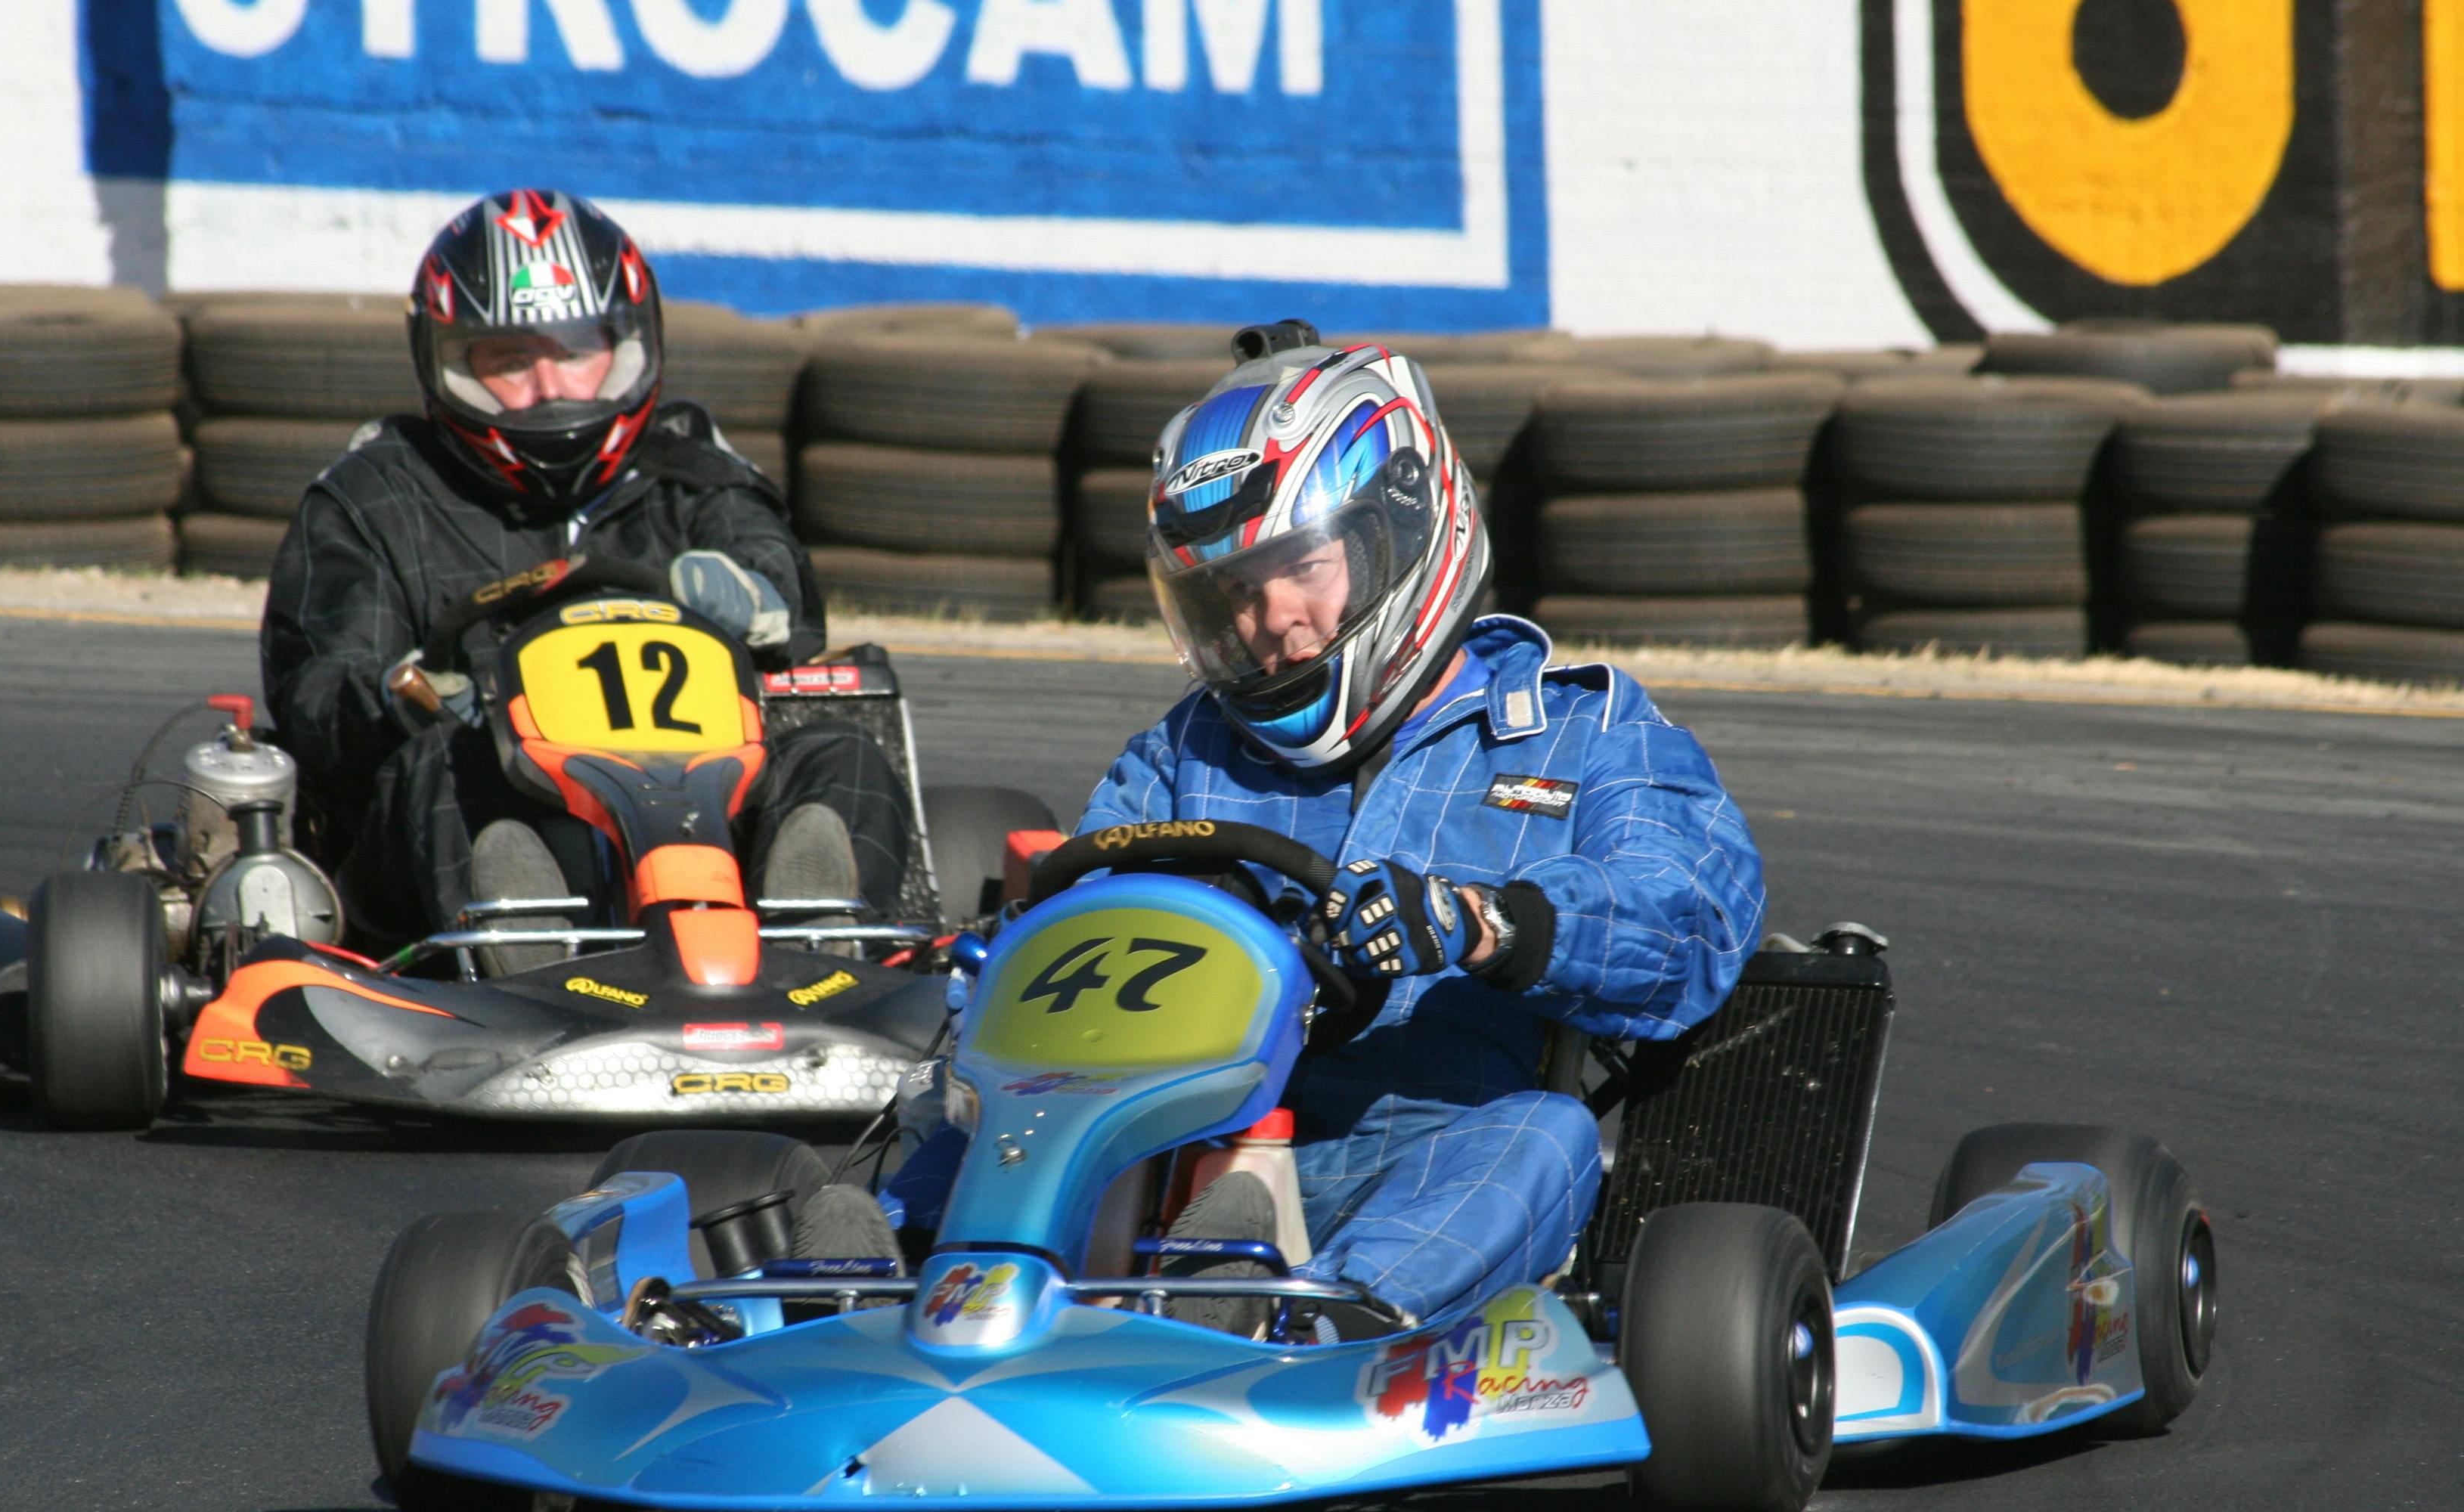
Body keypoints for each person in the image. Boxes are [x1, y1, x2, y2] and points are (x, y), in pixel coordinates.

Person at [888, 320, 1766, 1331]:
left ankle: (1324, 1328)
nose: (1271, 623)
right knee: (972, 1115)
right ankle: (878, 1285)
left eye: (1302, 569)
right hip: (1159, 1145)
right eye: (1235, 592)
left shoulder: (1583, 731)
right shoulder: (1186, 751)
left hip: (1420, 1152)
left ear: (1400, 531)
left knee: (1543, 1132)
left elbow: (1694, 917)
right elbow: (1080, 922)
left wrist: (1483, 923)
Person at [259, 188, 910, 966]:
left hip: (704, 806)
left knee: (840, 755)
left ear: (627, 348)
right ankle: (524, 956)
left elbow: (782, 592)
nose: (549, 387)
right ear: (452, 365)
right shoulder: (377, 496)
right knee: (448, 766)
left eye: (572, 352)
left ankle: (817, 955)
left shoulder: (691, 473)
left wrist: (750, 595)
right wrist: (403, 695)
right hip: (475, 816)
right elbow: (317, 692)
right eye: (510, 361)